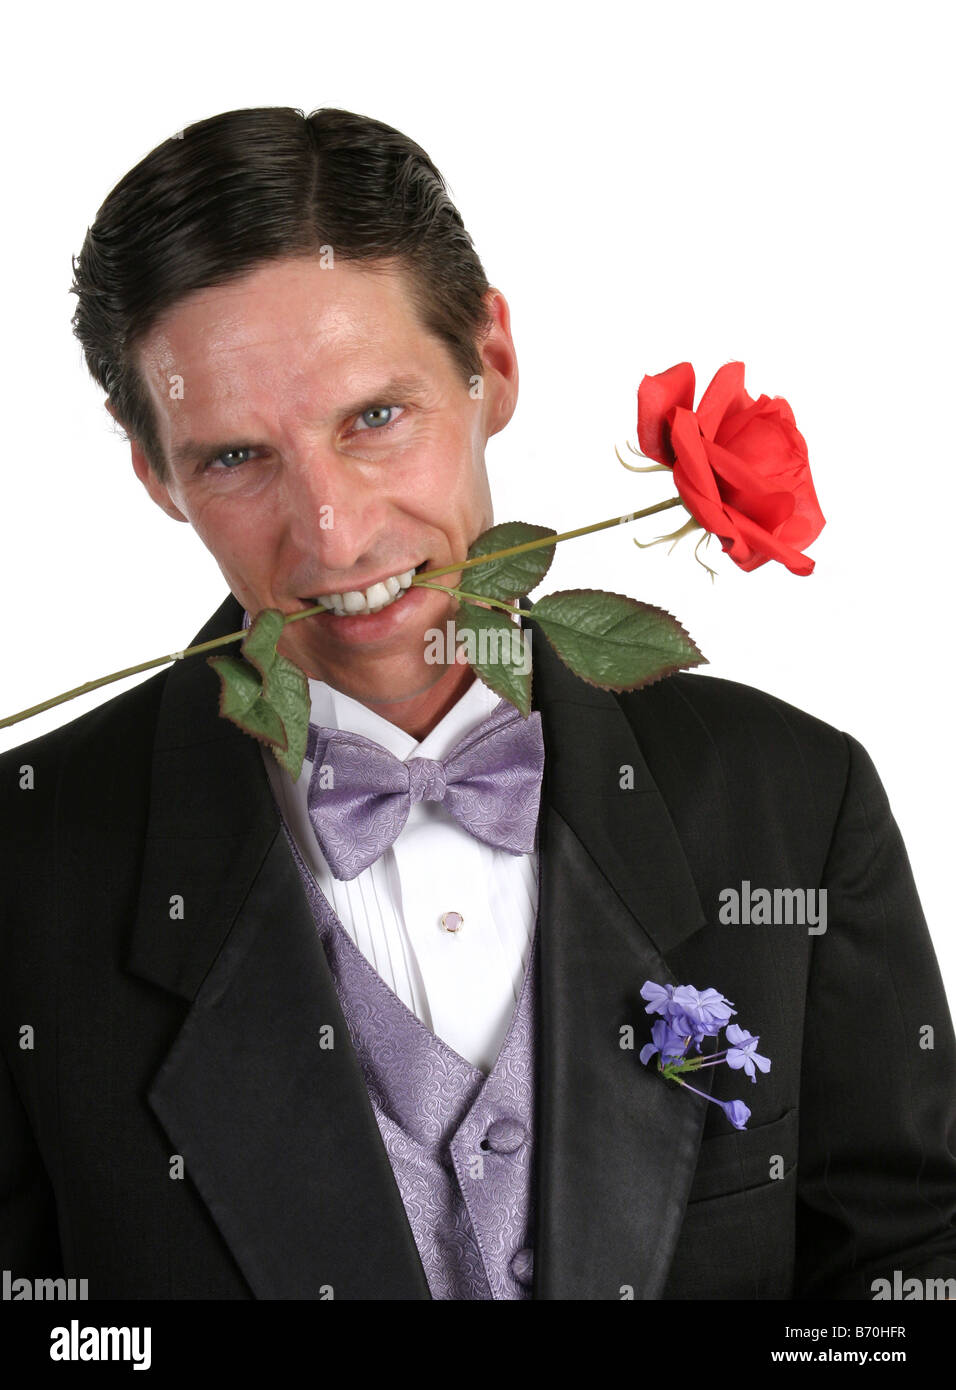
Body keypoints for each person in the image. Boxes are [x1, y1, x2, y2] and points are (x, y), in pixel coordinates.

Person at [1, 105, 954, 1302]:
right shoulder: (24, 866)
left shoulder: (797, 804)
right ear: (153, 469)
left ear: (489, 363)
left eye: (374, 417)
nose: (334, 534)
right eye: (236, 457)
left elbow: (908, 1271)